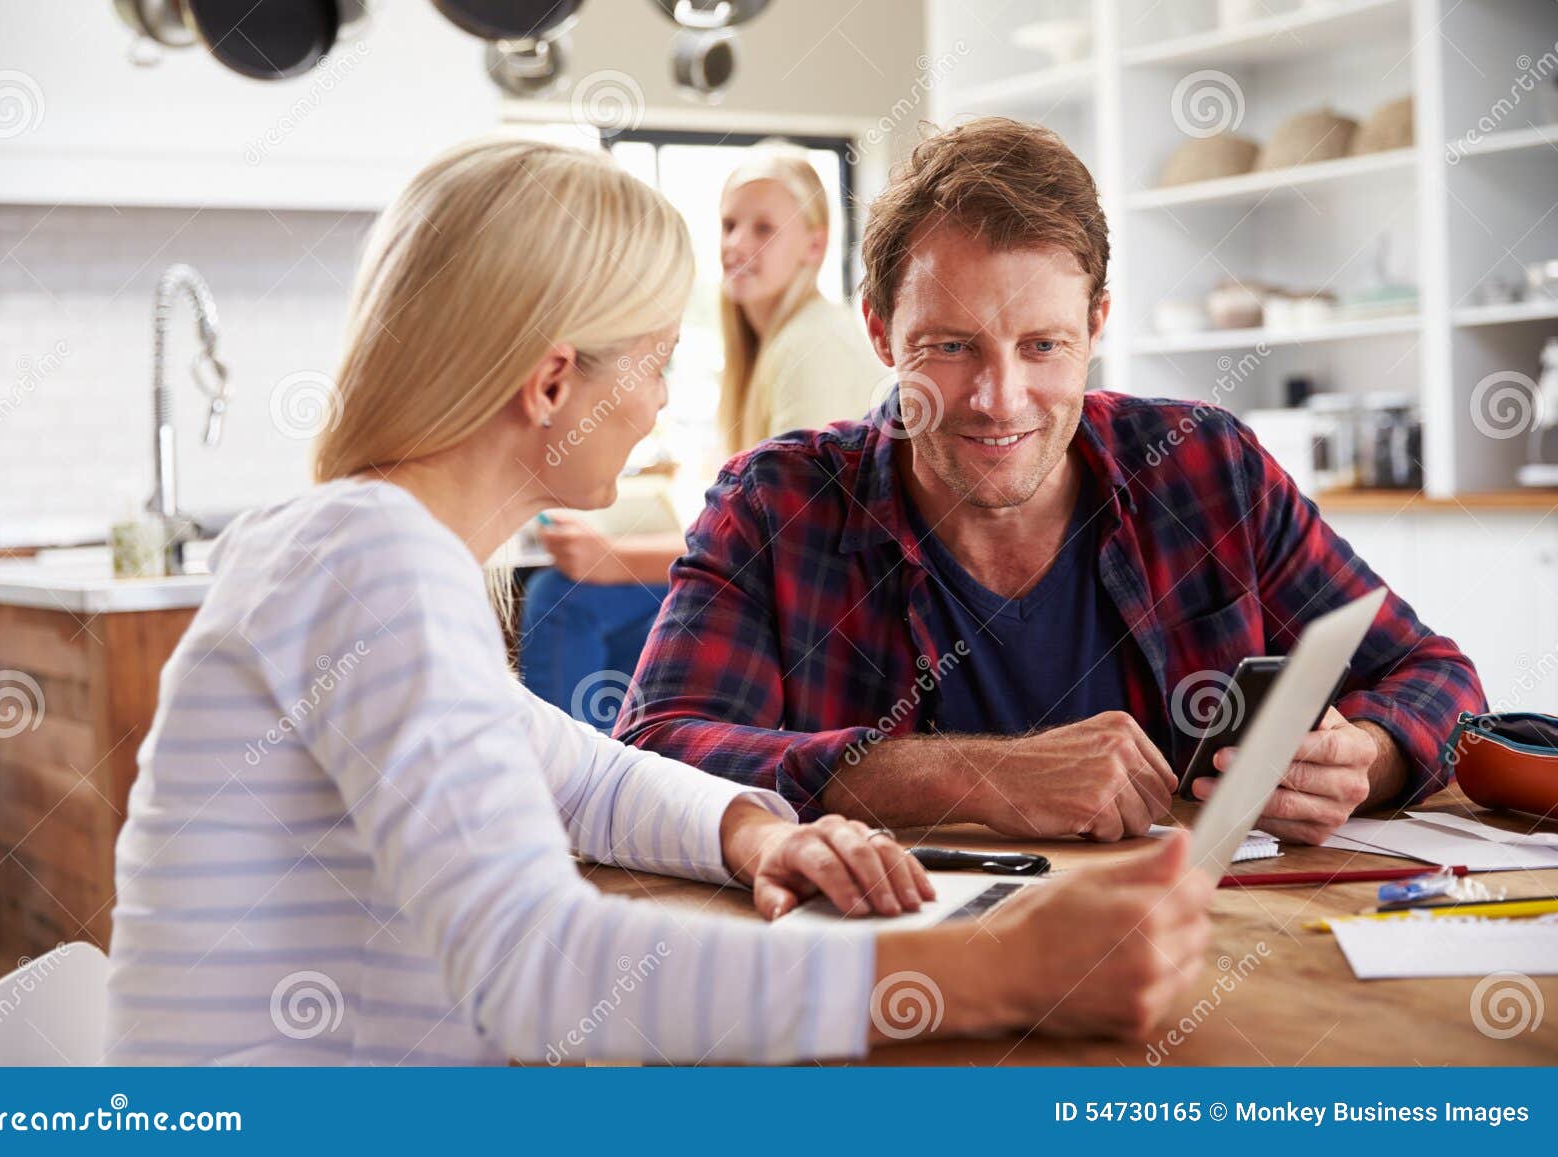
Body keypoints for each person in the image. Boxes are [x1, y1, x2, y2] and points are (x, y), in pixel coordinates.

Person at [104, 138, 1215, 1065]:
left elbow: (578, 769)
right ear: (552, 386)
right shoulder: (369, 559)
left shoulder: (351, 543)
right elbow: (543, 972)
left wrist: (751, 832)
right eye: (653, 361)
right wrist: (991, 967)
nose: (661, 401)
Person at [618, 117, 1487, 847]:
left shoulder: (1205, 468)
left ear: (1095, 324)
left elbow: (1436, 676)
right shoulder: (777, 503)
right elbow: (653, 760)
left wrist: (1368, 757)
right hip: (901, 983)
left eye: (1043, 346)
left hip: (1207, 965)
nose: (1000, 401)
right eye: (949, 347)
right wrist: (976, 775)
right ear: (881, 331)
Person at [520, 143, 883, 728]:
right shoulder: (772, 347)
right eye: (729, 224)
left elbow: (787, 545)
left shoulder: (810, 347)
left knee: (559, 602)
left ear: (814, 247)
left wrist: (613, 560)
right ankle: (608, 774)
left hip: (811, 619)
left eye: (764, 228)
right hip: (775, 602)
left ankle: (564, 797)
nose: (738, 244)